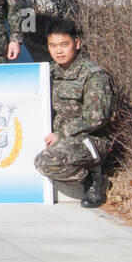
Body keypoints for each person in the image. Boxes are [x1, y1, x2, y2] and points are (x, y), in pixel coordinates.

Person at [34, 18, 115, 208]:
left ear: (76, 44)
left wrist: (61, 134)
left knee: (45, 162)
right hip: (58, 139)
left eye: (64, 44)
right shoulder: (48, 72)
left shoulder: (93, 75)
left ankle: (93, 180)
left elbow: (96, 117)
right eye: (53, 45)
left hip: (90, 141)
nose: (58, 51)